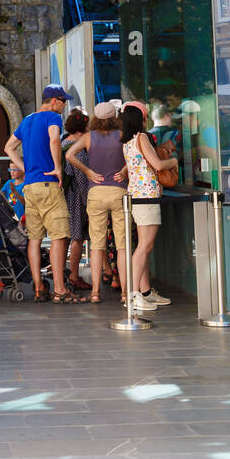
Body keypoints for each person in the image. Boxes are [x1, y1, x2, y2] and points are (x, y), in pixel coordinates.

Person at [4, 84, 82, 303]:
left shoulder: (27, 120)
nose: (65, 105)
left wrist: (25, 167)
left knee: (35, 239)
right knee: (59, 237)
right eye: (63, 101)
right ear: (54, 101)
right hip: (48, 184)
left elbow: (8, 147)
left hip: (30, 186)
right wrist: (58, 167)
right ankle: (59, 289)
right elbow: (55, 139)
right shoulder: (52, 117)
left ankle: (39, 286)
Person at [66, 102, 129, 303]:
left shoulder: (87, 137)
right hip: (119, 191)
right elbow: (137, 155)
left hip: (96, 192)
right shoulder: (122, 135)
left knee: (96, 245)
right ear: (114, 116)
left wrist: (87, 171)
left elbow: (69, 155)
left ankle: (95, 292)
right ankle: (126, 293)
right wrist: (125, 170)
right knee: (122, 245)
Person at [120, 103, 177, 312]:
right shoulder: (141, 138)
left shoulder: (127, 142)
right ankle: (134, 293)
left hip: (136, 194)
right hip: (147, 195)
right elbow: (158, 165)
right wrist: (173, 162)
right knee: (145, 246)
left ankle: (143, 292)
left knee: (143, 245)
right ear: (141, 120)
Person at [61, 107, 91, 292]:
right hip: (75, 197)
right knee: (77, 237)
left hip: (62, 194)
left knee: (64, 236)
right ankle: (74, 275)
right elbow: (81, 179)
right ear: (82, 128)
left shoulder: (63, 141)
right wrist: (88, 203)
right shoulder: (78, 150)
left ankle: (62, 271)